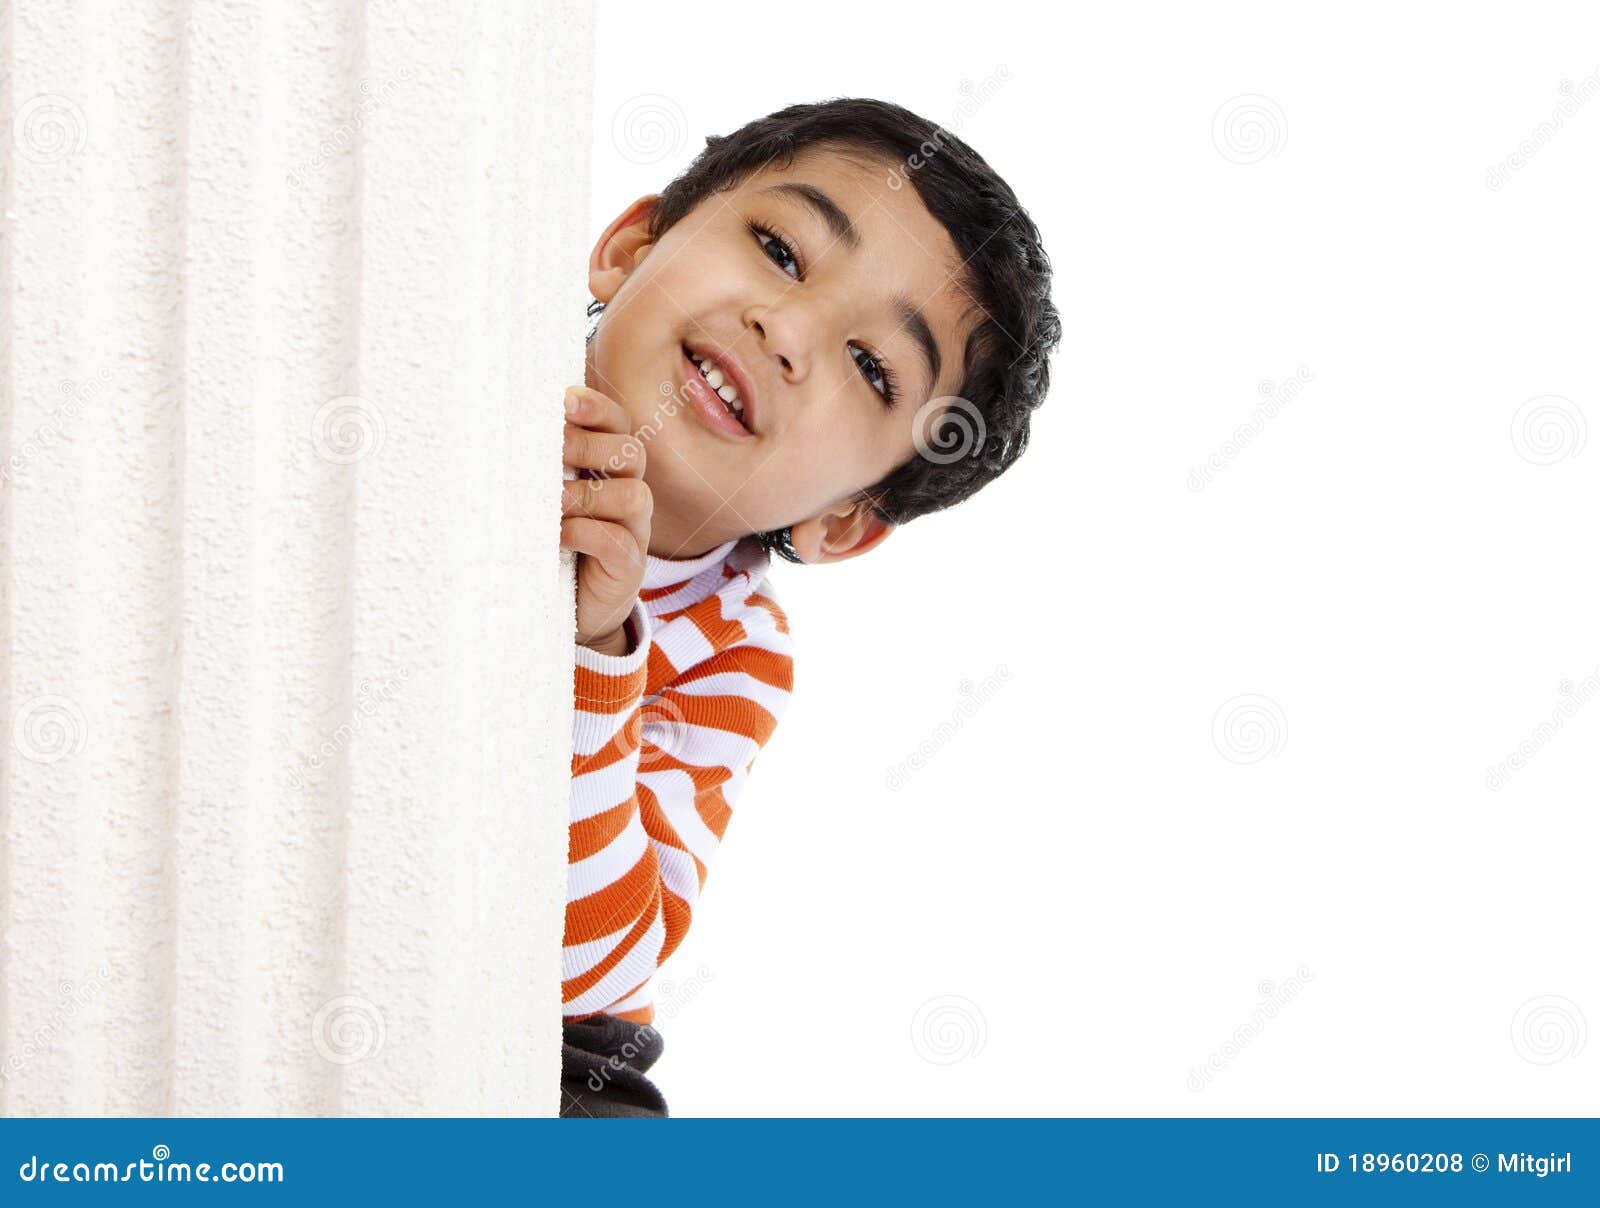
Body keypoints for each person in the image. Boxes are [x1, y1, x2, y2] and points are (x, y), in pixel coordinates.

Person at [559, 98, 1061, 1116]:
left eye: (870, 366)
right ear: (630, 246)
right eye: (781, 252)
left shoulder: (733, 654)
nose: (784, 331)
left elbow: (594, 960)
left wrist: (596, 648)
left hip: (556, 1029)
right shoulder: (460, 370)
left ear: (841, 523)